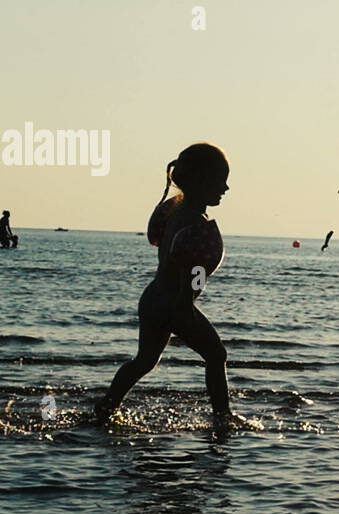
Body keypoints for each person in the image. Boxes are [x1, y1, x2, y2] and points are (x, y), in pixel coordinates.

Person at [95, 143, 247, 430]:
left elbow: (175, 257)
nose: (226, 188)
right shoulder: (195, 223)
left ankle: (105, 407)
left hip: (153, 297)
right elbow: (193, 267)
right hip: (175, 301)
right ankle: (222, 418)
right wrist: (187, 301)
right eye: (220, 180)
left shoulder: (175, 212)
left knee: (143, 361)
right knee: (216, 355)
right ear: (201, 181)